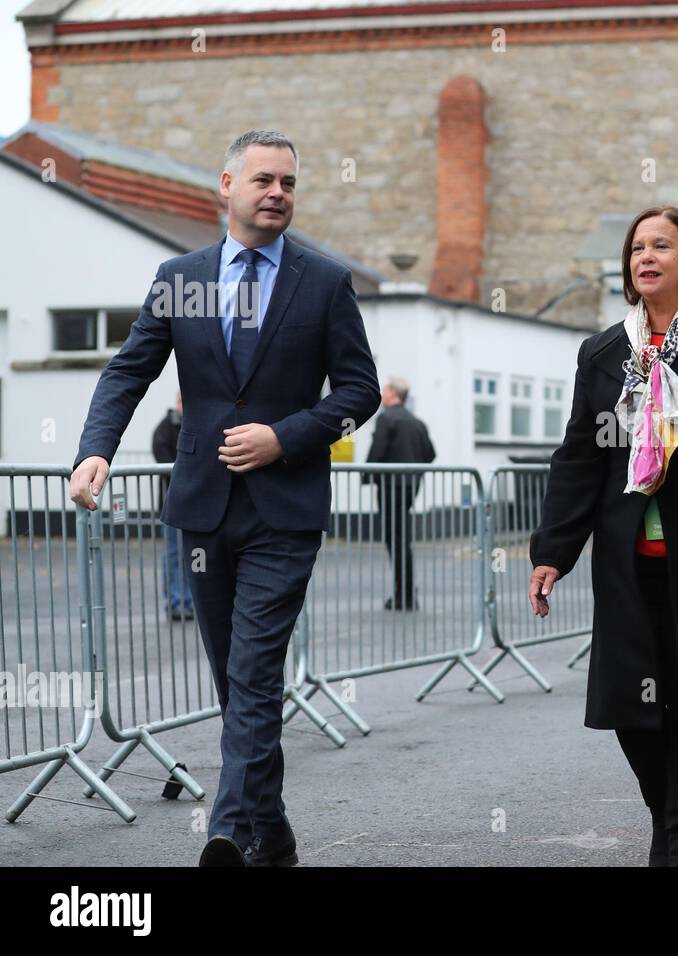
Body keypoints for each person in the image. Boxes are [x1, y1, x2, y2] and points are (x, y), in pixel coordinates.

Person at [68, 130, 381, 868]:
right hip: (203, 514)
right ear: (227, 185)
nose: (278, 193)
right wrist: (95, 449)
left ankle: (227, 833)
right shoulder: (182, 276)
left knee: (253, 673)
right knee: (235, 681)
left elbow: (359, 391)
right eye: (264, 179)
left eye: (290, 184)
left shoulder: (324, 281)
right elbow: (128, 371)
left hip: (285, 512)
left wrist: (286, 436)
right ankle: (271, 832)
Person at [528, 206, 678, 867]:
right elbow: (580, 456)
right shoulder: (605, 353)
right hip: (629, 561)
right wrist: (552, 551)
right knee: (634, 710)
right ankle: (671, 822)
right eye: (637, 247)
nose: (645, 257)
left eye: (662, 245)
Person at [365, 376, 436, 611]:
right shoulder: (417, 422)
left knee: (393, 539)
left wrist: (367, 475)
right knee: (401, 539)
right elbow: (430, 453)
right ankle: (405, 592)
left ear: (394, 393)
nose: (382, 393)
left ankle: (403, 594)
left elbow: (378, 449)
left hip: (389, 485)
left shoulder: (387, 418)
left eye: (385, 389)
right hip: (409, 488)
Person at [153, 392, 194, 621]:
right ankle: (175, 601)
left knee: (191, 554)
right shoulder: (165, 429)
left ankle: (187, 601)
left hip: (193, 504)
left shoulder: (189, 425)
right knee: (173, 554)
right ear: (178, 403)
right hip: (174, 503)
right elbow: (166, 464)